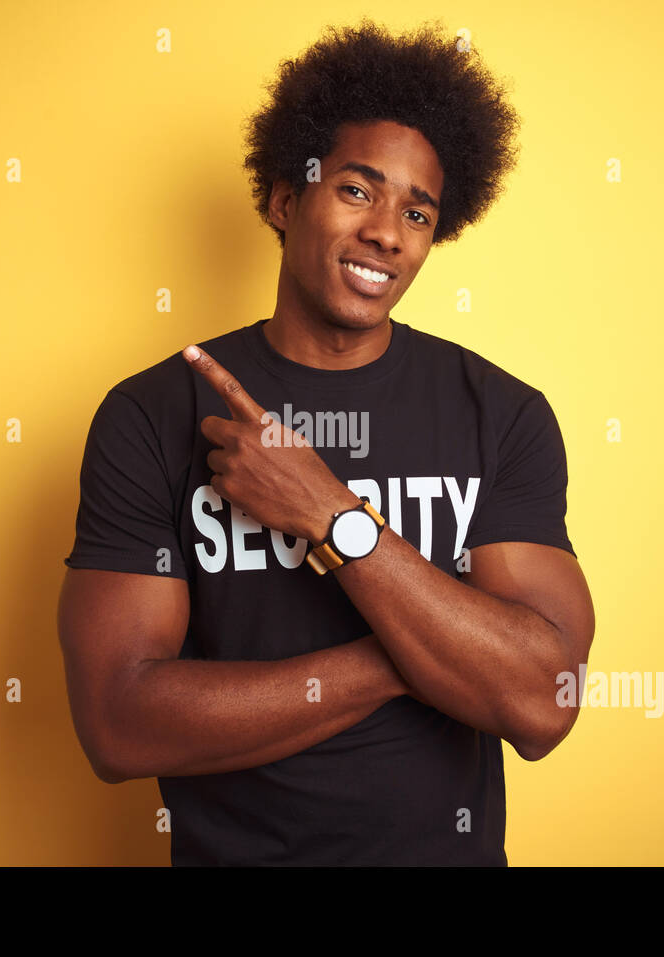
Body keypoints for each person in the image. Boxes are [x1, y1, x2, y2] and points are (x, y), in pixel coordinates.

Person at [56, 17, 594, 866]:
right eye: (355, 190)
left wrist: (332, 515)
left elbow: (541, 703)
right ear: (284, 200)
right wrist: (414, 654)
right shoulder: (151, 414)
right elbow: (118, 725)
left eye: (416, 211)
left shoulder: (501, 414)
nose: (387, 231)